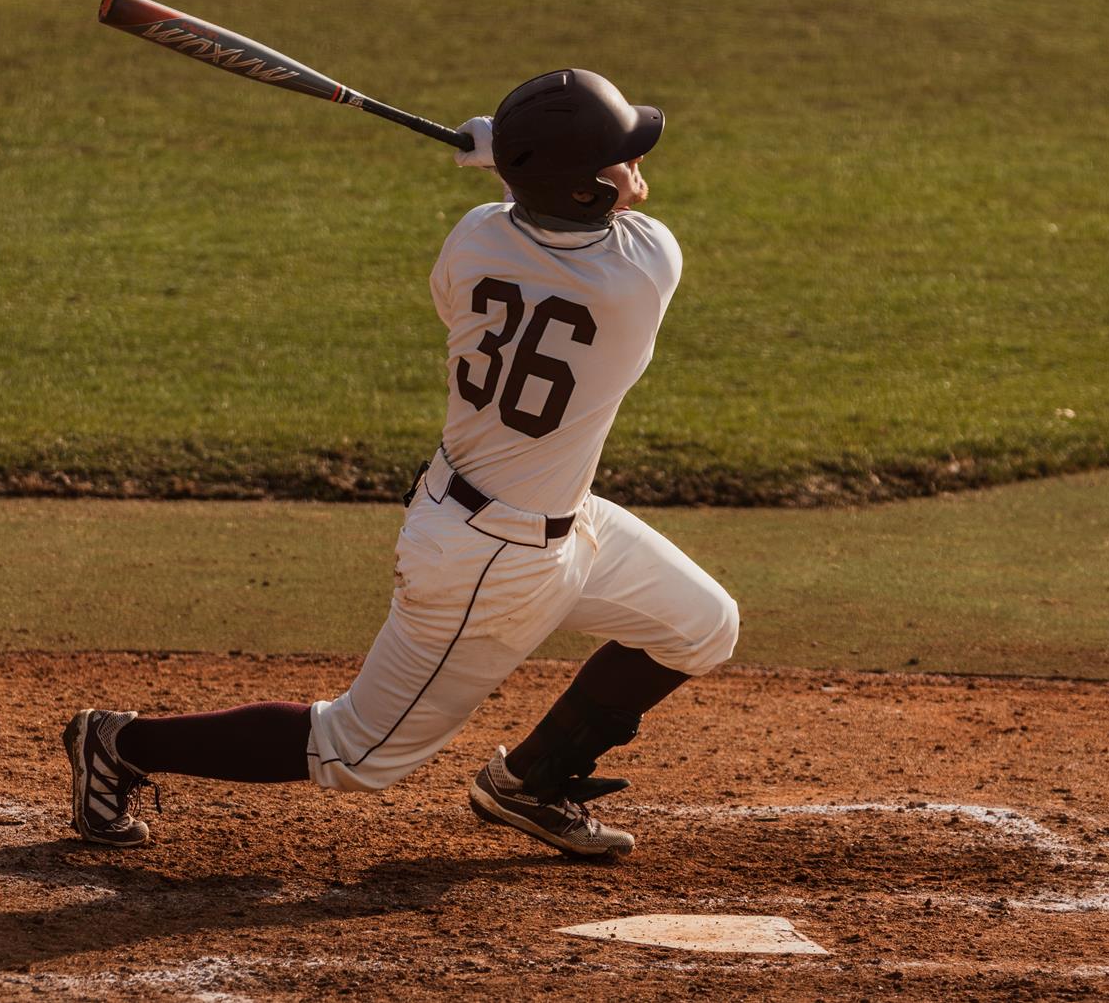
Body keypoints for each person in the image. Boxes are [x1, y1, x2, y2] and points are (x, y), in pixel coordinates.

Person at [64, 69, 738, 859]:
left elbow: (533, 221)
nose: (635, 166)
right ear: (587, 188)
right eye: (619, 157)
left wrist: (513, 162)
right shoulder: (642, 270)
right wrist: (507, 154)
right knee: (353, 753)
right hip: (488, 562)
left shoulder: (474, 238)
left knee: (701, 624)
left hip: (550, 516)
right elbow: (615, 209)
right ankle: (120, 743)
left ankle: (531, 779)